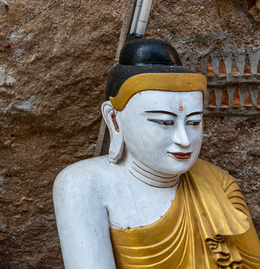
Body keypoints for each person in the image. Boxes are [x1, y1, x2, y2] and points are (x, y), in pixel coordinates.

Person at [54, 38, 260, 268]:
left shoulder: (220, 184)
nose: (184, 140)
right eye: (164, 122)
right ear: (114, 119)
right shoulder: (83, 185)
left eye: (193, 122)